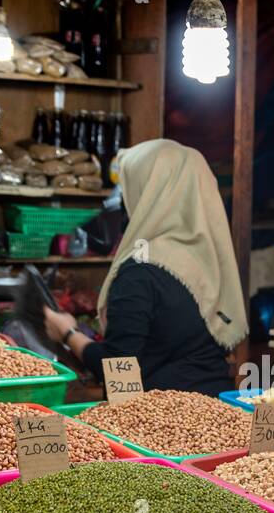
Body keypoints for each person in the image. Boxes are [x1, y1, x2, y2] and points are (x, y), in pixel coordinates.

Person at [43, 139, 246, 396]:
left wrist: (67, 332)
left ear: (146, 192)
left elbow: (119, 369)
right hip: (217, 408)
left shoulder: (140, 270)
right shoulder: (211, 259)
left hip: (160, 421)